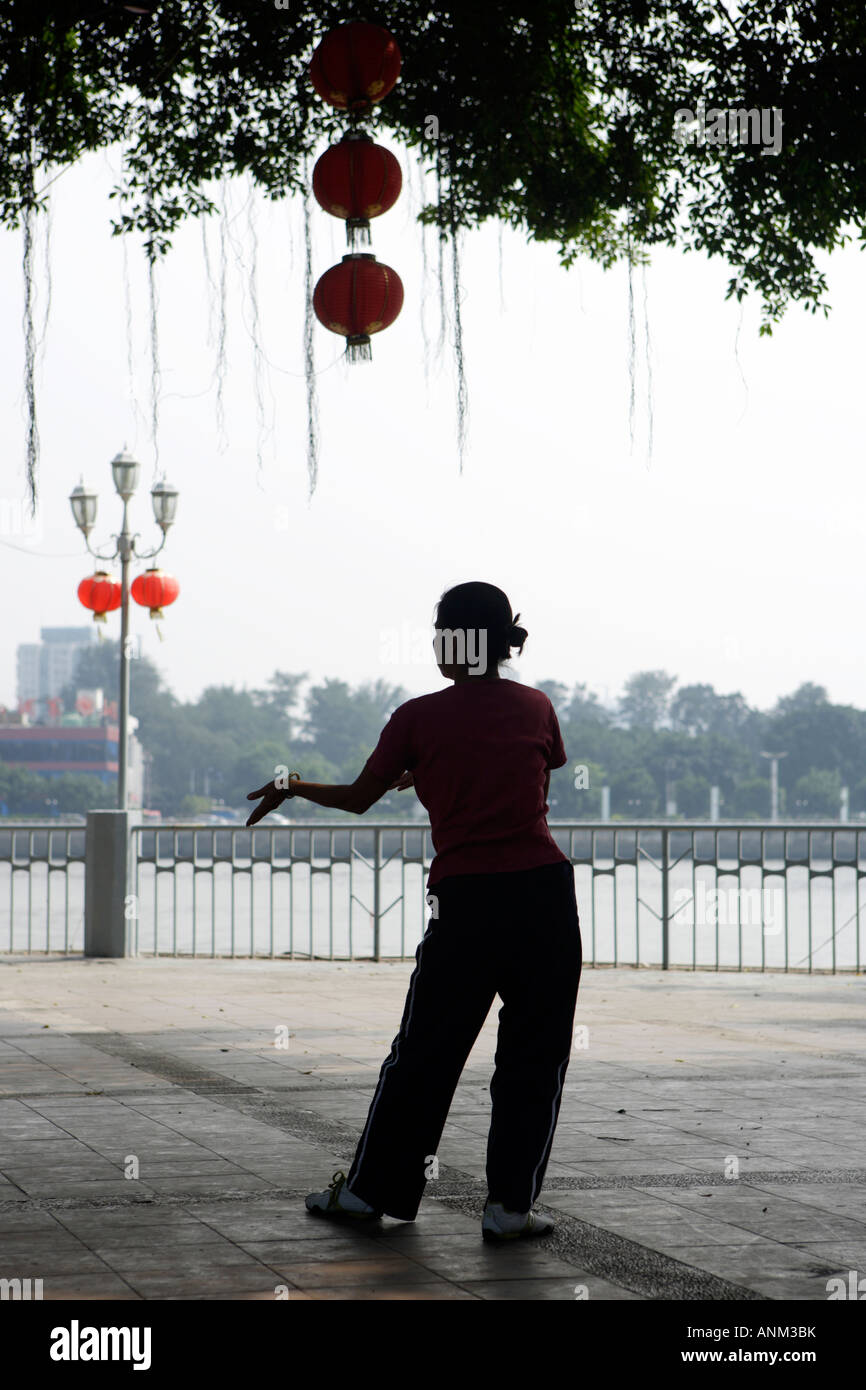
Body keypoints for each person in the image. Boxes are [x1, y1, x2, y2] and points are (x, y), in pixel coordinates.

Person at [246, 581, 582, 1242]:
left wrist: (292, 785)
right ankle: (510, 1208)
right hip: (545, 895)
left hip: (469, 903)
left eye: (438, 631)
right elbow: (517, 773)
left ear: (459, 640)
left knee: (425, 1057)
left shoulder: (418, 719)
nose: (432, 642)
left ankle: (375, 1196)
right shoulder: (537, 707)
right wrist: (433, 767)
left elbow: (356, 799)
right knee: (534, 1060)